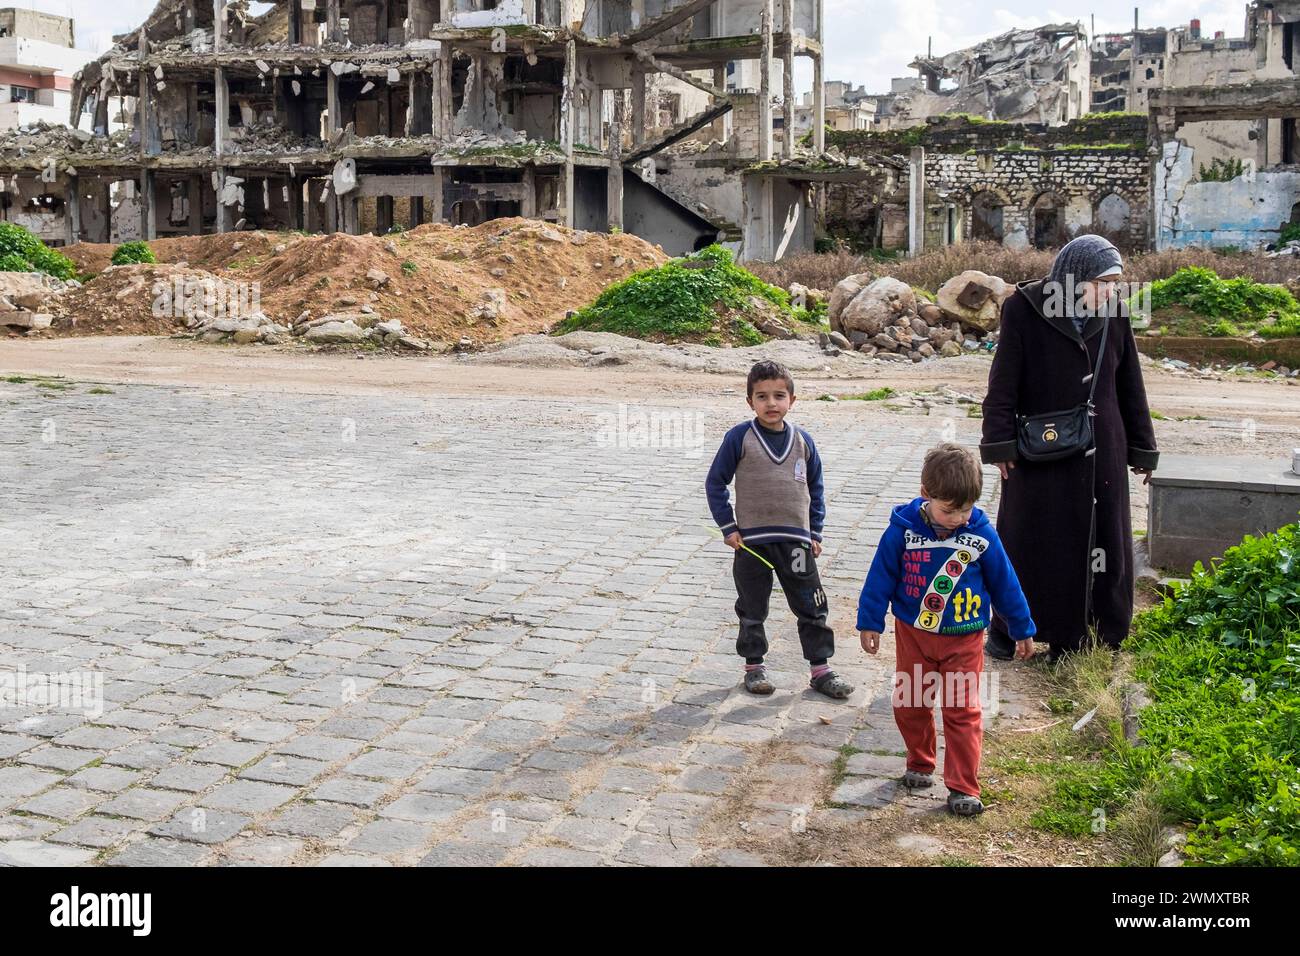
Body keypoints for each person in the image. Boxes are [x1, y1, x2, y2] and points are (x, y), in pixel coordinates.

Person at [980, 234, 1159, 662]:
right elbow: (1003, 381)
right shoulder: (1025, 308)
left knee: (1102, 541)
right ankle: (1008, 630)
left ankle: (1085, 636)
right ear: (1074, 276)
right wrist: (1000, 442)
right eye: (1103, 281)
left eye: (1116, 282)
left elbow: (1129, 381)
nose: (1112, 291)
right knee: (1028, 540)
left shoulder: (1114, 311)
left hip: (1103, 450)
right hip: (1040, 452)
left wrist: (1142, 448)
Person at [857, 443, 1036, 816]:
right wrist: (870, 621)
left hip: (965, 638)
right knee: (911, 703)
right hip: (913, 636)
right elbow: (880, 577)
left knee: (962, 709)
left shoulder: (982, 536)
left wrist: (1021, 627)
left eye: (967, 509)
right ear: (926, 494)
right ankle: (920, 761)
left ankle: (963, 787)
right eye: (949, 510)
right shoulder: (903, 532)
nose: (958, 518)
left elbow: (1006, 583)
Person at [705, 360, 854, 699]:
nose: (771, 404)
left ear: (792, 400)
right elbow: (715, 483)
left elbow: (816, 489)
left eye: (778, 396)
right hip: (753, 544)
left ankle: (821, 669)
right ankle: (754, 667)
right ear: (749, 402)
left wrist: (814, 533)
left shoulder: (803, 441)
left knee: (812, 604)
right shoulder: (739, 438)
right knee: (752, 607)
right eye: (761, 396)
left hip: (797, 544)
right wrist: (728, 527)